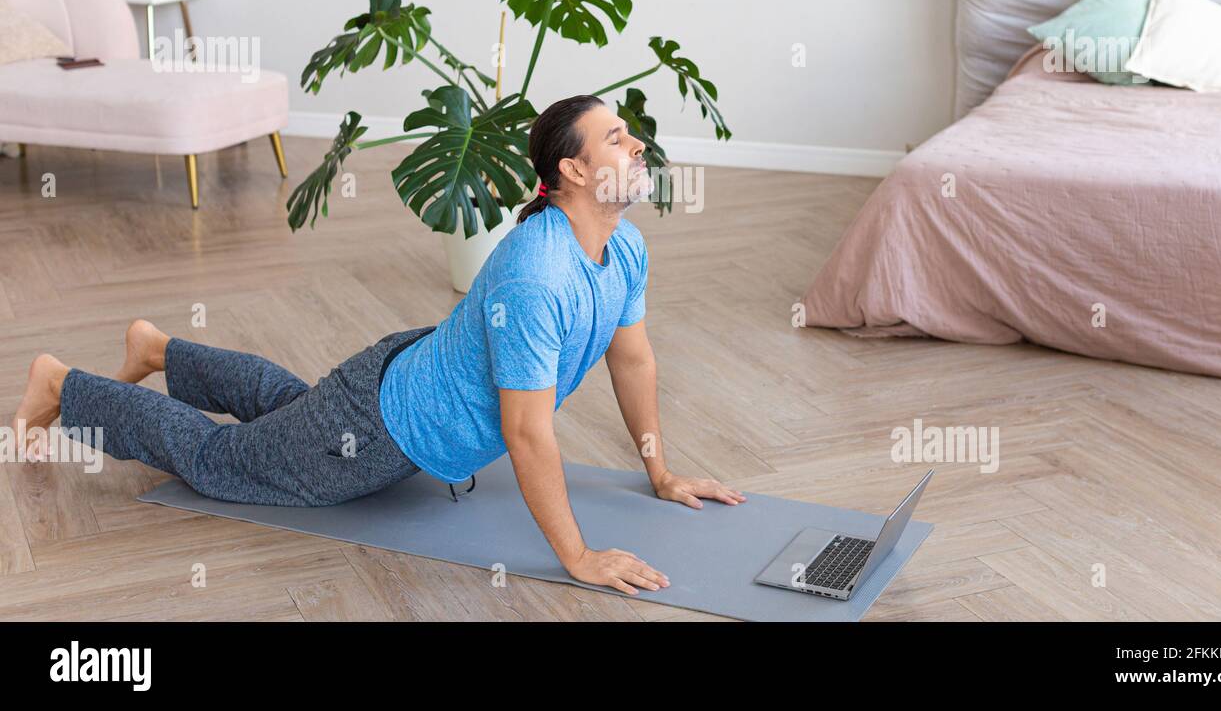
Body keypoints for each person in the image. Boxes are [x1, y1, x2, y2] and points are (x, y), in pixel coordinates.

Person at [13, 94, 744, 596]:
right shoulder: (537, 279)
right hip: (380, 427)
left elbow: (634, 357)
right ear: (574, 172)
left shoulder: (624, 247)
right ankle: (61, 386)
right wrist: (577, 558)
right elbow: (527, 432)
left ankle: (160, 349)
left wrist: (661, 472)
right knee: (218, 461)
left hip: (392, 388)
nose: (637, 141)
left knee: (289, 410)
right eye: (616, 137)